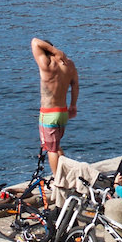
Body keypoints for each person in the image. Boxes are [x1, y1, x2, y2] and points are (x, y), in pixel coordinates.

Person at [32, 38, 79, 176]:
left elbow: (34, 41)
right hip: (63, 112)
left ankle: (57, 180)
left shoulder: (46, 65)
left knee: (51, 149)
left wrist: (55, 51)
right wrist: (73, 105)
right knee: (56, 146)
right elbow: (75, 85)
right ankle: (65, 173)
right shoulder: (69, 64)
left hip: (49, 114)